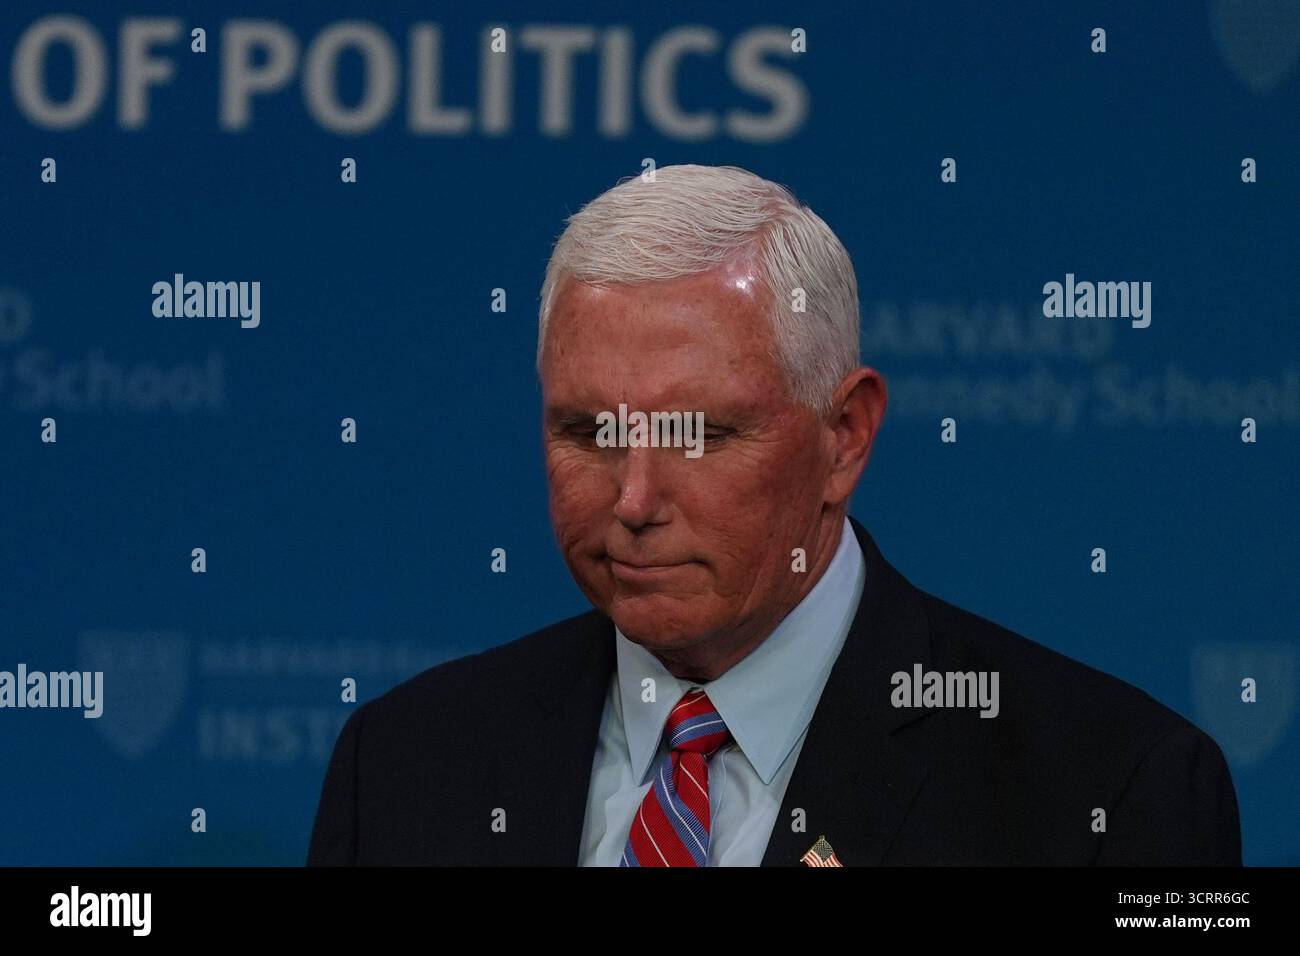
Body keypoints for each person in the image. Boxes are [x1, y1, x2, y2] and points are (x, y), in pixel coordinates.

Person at [307, 164, 1241, 866]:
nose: (632, 501)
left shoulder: (1114, 793)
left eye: (699, 434)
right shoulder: (400, 768)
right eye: (589, 432)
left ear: (844, 436)